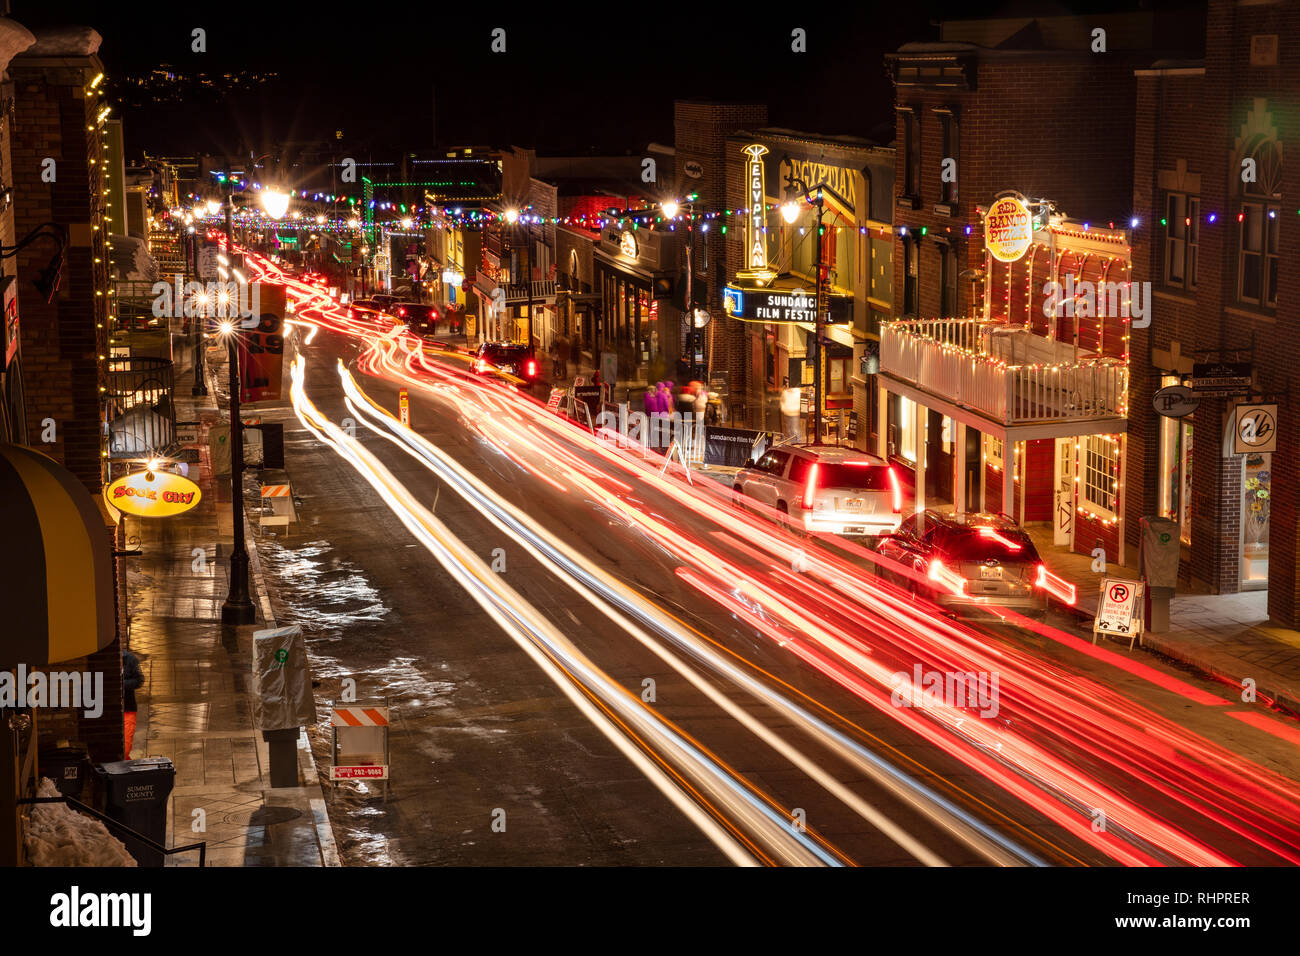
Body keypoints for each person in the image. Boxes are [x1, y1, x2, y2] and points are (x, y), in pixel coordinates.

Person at [122, 644, 143, 759]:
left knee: (126, 746)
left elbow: (139, 680)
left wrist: (122, 685)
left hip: (128, 708)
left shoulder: (130, 659)